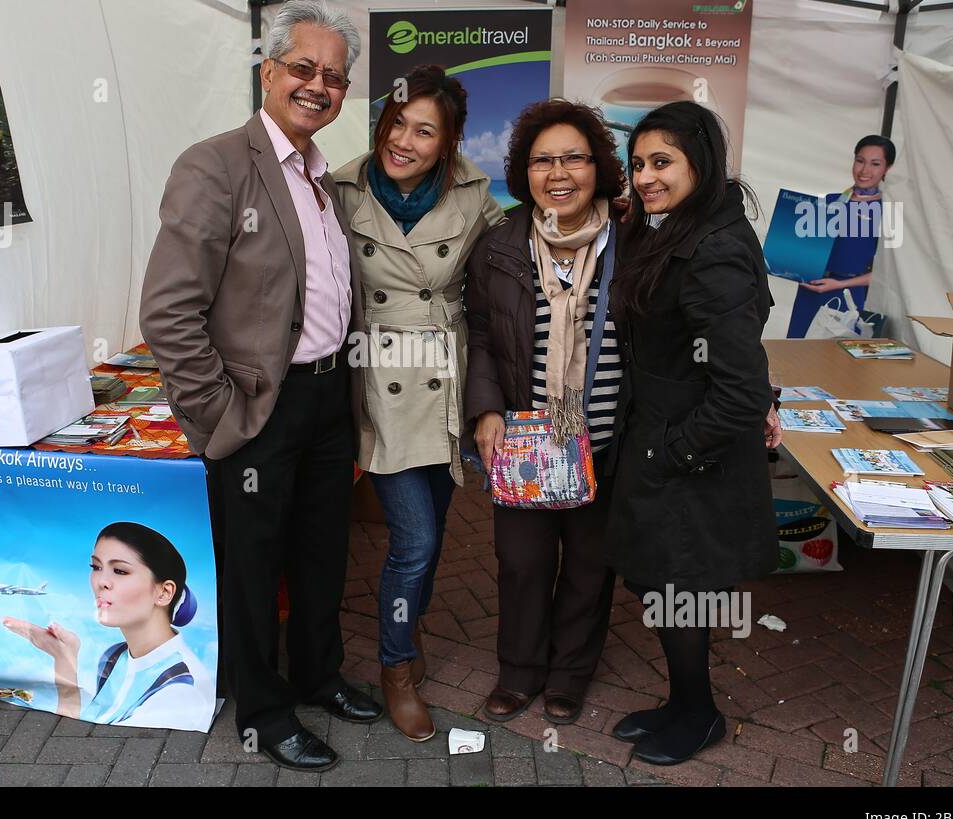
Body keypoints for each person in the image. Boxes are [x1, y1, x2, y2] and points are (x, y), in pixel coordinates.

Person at [140, 0, 381, 773]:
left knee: (321, 553)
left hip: (324, 398)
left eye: (334, 77)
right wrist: (217, 418)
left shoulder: (321, 176)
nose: (318, 85)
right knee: (251, 568)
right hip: (257, 411)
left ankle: (318, 675)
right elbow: (169, 310)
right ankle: (266, 710)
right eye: (304, 69)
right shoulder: (213, 165)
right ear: (268, 71)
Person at [605, 101, 780, 765]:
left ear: (698, 163)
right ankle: (682, 703)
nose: (646, 176)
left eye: (662, 162)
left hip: (688, 452)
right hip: (666, 435)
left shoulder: (713, 251)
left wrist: (670, 451)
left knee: (678, 587)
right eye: (639, 163)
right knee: (667, 586)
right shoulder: (687, 226)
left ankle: (699, 713)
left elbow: (739, 388)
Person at [333, 65, 504, 741]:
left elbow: (514, 261)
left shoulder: (473, 196)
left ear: (449, 140)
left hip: (446, 384)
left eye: (423, 130)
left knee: (427, 541)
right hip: (379, 381)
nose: (403, 140)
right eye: (396, 123)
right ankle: (396, 666)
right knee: (416, 541)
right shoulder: (338, 190)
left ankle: (408, 628)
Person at [464, 100, 628, 725]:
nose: (558, 173)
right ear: (523, 171)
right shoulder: (501, 244)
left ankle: (570, 675)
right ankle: (519, 672)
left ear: (598, 167)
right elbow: (480, 333)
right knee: (523, 562)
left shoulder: (632, 238)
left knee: (590, 566)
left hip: (609, 438)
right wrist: (485, 410)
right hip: (527, 443)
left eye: (573, 159)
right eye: (542, 161)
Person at [2, 522, 213, 730]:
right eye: (96, 567)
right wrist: (64, 659)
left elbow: (92, 746)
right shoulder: (115, 656)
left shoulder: (180, 690)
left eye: (120, 571)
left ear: (164, 593)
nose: (101, 581)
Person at [786, 134, 897, 337]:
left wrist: (839, 284)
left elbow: (887, 274)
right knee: (797, 357)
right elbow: (801, 252)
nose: (865, 170)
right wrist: (795, 269)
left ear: (887, 168)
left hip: (847, 296)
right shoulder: (828, 202)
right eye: (860, 161)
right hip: (809, 292)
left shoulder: (890, 212)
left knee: (836, 362)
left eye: (875, 164)